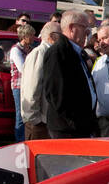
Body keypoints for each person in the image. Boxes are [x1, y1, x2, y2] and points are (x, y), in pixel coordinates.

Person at [37, 10, 98, 138]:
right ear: (72, 28)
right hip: (68, 130)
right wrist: (75, 122)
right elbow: (56, 95)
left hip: (82, 127)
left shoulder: (77, 51)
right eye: (85, 28)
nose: (88, 33)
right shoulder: (58, 52)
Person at [20, 21, 59, 140]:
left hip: (46, 121)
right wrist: (35, 120)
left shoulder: (50, 53)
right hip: (39, 124)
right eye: (61, 35)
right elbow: (32, 88)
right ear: (52, 37)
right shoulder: (39, 53)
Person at [8, 21, 37, 141]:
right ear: (25, 36)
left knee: (27, 115)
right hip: (19, 86)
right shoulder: (16, 50)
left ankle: (25, 139)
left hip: (29, 86)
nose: (34, 38)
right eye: (31, 35)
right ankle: (19, 141)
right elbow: (22, 68)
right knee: (20, 115)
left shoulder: (31, 49)